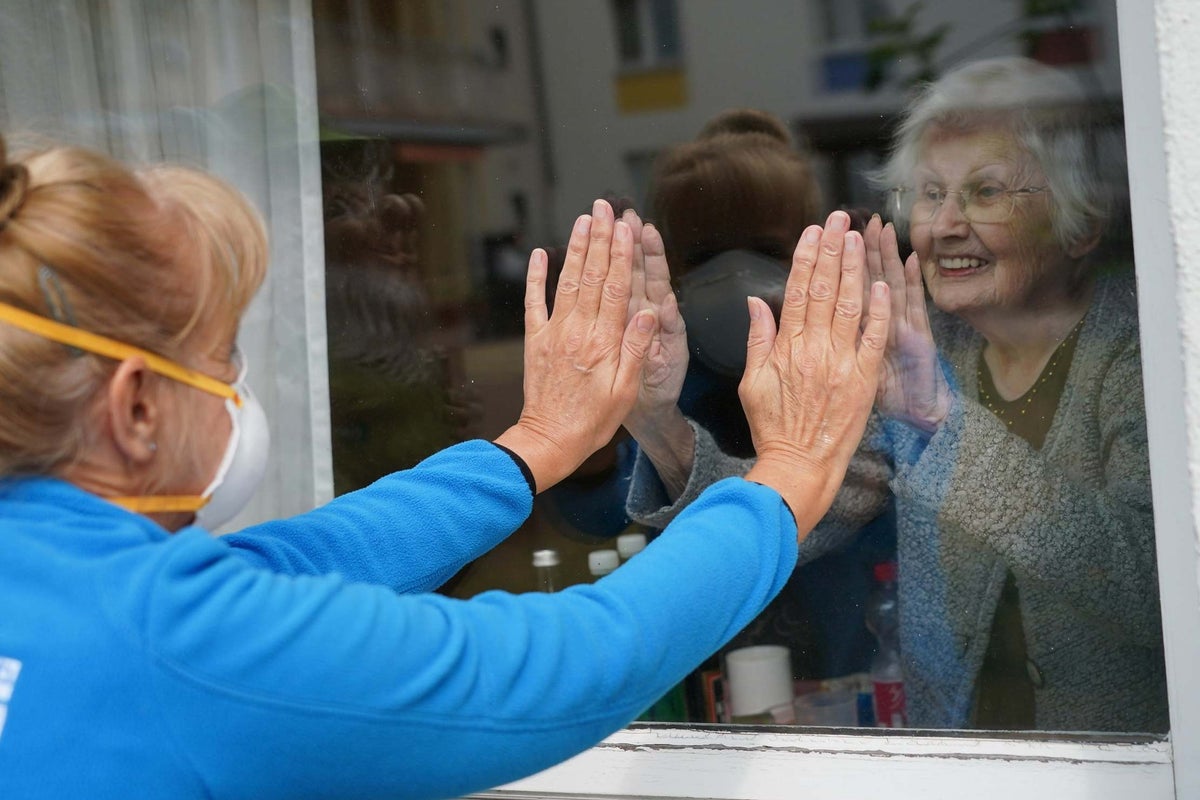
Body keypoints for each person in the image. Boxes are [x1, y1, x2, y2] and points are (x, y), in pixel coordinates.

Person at [0, 135, 889, 798]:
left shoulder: (51, 571)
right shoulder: (175, 635)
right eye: (222, 357)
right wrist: (793, 473)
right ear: (136, 409)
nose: (237, 385)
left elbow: (306, 558)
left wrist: (539, 442)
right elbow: (571, 664)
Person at [624, 56, 1167, 732]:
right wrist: (660, 429)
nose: (945, 224)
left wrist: (943, 424)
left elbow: (1155, 589)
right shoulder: (928, 349)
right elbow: (804, 510)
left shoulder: (1149, 357)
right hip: (954, 763)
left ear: (1079, 223)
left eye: (986, 192)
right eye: (931, 194)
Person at [635, 108, 896, 682]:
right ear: (674, 264)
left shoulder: (861, 376)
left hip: (850, 675)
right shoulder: (666, 377)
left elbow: (838, 509)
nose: (734, 275)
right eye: (706, 256)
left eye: (763, 249)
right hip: (712, 686)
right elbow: (606, 511)